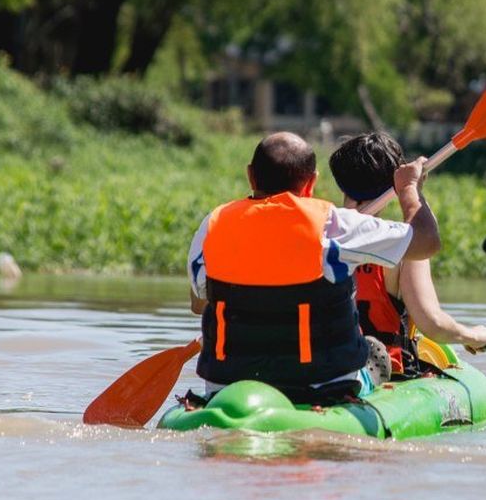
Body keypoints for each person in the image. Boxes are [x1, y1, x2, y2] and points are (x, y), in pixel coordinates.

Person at [185, 132, 440, 404]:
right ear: (311, 183)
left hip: (225, 385)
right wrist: (410, 188)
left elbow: (200, 304)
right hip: (320, 384)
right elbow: (427, 240)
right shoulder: (334, 226)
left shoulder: (213, 225)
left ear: (251, 175)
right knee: (372, 350)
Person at [328, 132, 486, 378]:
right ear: (392, 186)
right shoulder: (403, 246)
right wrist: (473, 335)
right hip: (387, 373)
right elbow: (433, 324)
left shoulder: (319, 235)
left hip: (330, 366)